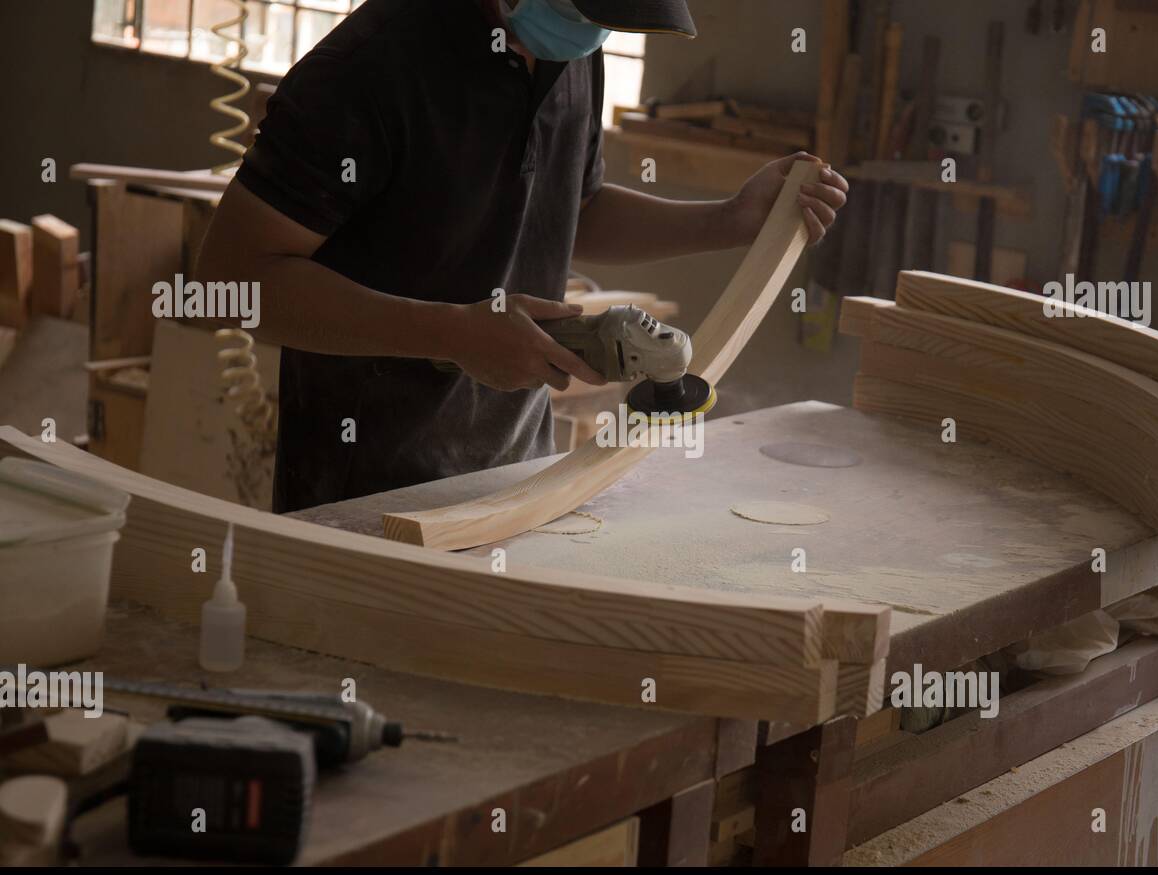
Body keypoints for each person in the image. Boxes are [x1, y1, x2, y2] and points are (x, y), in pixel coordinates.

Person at [197, 0, 849, 512]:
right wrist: (450, 334)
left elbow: (571, 208)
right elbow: (231, 280)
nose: (594, 29)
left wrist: (727, 222)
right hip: (366, 490)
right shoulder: (368, 70)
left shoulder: (571, 46)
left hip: (520, 472)